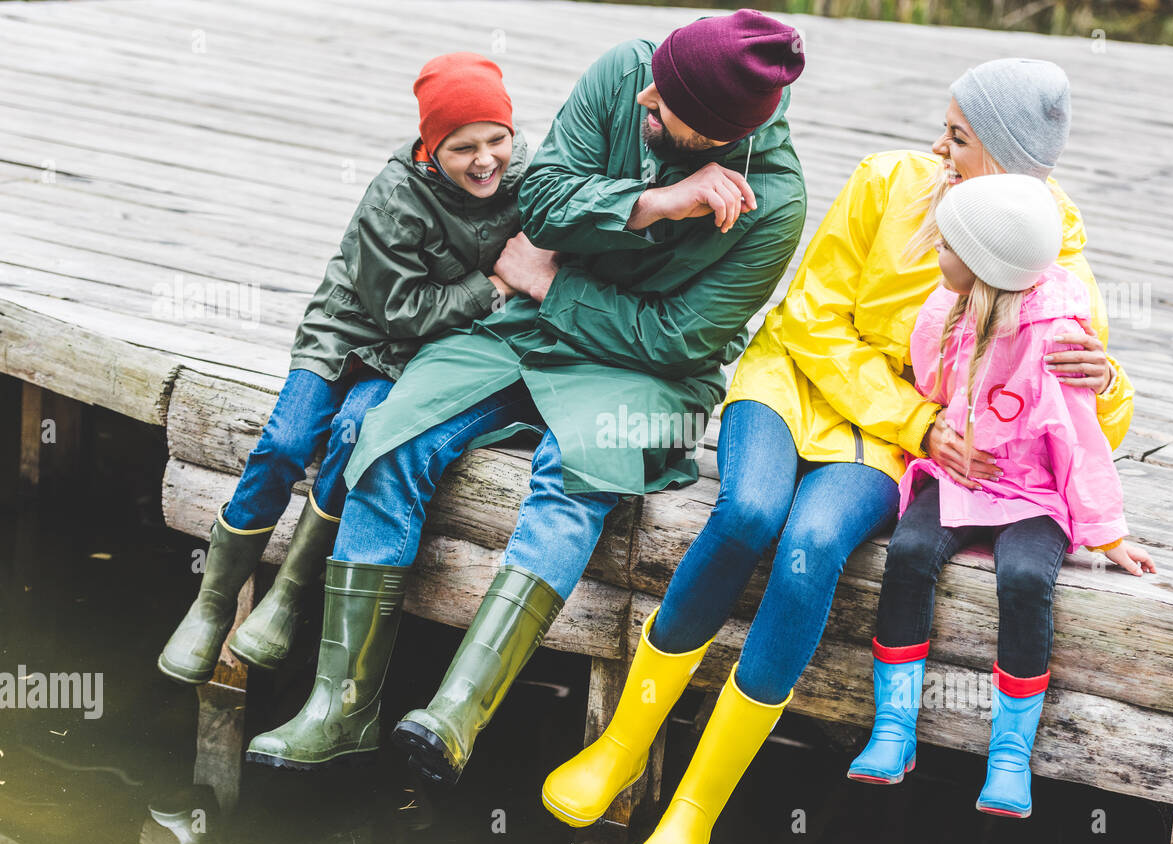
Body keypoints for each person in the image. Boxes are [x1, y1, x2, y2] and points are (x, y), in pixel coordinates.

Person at [543, 57, 1136, 844]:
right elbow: (814, 317)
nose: (937, 145)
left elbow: (1076, 398)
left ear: (1003, 156)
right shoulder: (885, 179)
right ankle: (621, 741)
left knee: (811, 546)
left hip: (889, 441)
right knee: (748, 509)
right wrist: (921, 416)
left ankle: (696, 807)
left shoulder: (1050, 237)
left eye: (958, 137)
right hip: (792, 382)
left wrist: (1107, 383)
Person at [243, 9, 809, 776]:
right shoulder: (622, 72)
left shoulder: (776, 204)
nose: (644, 98)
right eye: (653, 82)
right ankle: (340, 708)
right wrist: (652, 204)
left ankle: (457, 713)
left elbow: (680, 340)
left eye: (665, 105)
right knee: (391, 434)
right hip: (529, 326)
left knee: (579, 472)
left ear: (712, 134)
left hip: (657, 382)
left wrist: (550, 282)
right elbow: (540, 200)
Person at [156, 53, 526, 685]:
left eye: (497, 139)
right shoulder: (395, 194)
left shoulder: (525, 180)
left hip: (410, 355)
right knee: (284, 441)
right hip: (352, 331)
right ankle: (212, 602)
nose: (485, 159)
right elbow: (401, 309)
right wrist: (494, 284)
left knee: (356, 437)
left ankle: (290, 595)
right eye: (463, 147)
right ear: (431, 149)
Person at [847, 173, 1155, 818]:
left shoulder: (1056, 335)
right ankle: (894, 728)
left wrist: (1107, 531)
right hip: (962, 472)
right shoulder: (946, 309)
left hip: (1035, 486)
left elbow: (1080, 440)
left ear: (983, 262)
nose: (937, 256)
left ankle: (1009, 754)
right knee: (908, 554)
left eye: (949, 247)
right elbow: (932, 383)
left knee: (1022, 576)